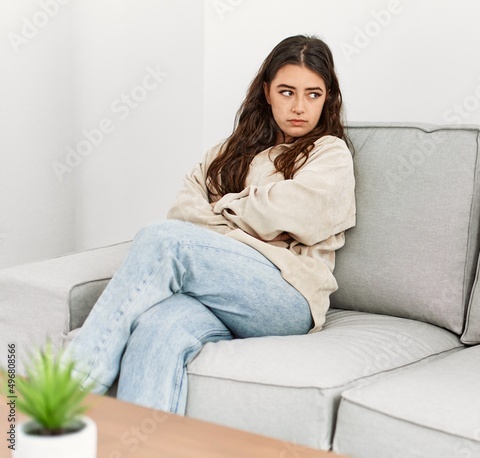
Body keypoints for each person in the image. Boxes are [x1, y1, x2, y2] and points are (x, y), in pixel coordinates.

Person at [65, 35, 356, 415]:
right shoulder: (228, 152)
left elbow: (304, 213)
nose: (299, 106)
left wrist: (224, 207)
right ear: (267, 92)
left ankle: (65, 400)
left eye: (313, 94)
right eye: (287, 92)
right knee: (156, 328)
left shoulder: (329, 153)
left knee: (162, 240)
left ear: (328, 97)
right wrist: (258, 221)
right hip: (220, 289)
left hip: (287, 297)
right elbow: (184, 213)